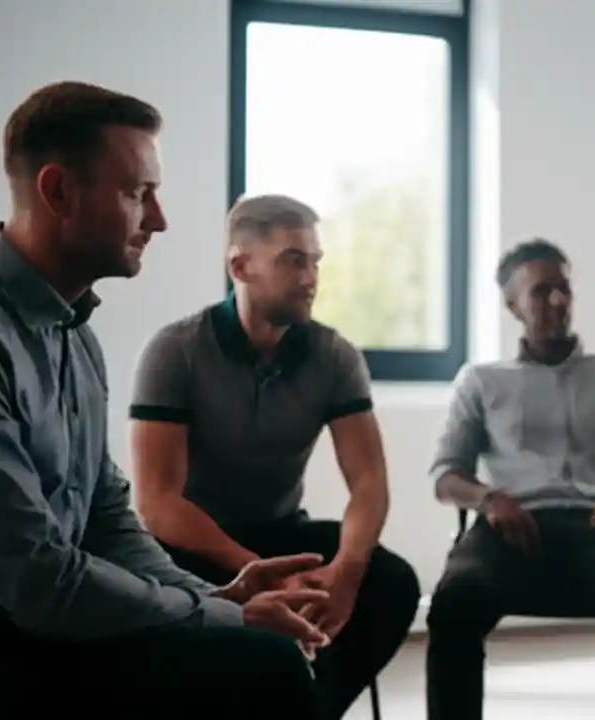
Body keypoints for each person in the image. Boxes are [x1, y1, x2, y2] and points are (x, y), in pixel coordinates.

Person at [0, 82, 329, 714]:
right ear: (59, 192)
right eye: (137, 193)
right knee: (259, 666)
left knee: (267, 649)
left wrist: (219, 601)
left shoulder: (73, 334)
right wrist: (221, 618)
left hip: (33, 630)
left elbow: (105, 516)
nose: (159, 219)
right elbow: (40, 581)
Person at [129, 193, 420, 718]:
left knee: (392, 582)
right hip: (190, 546)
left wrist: (347, 572)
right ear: (240, 266)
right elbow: (157, 504)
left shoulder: (334, 355)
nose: (310, 277)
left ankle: (315, 706)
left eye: (315, 262)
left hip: (282, 528)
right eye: (293, 260)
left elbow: (369, 481)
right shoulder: (175, 351)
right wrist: (257, 570)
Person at [425, 238, 595, 720]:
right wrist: (489, 499)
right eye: (540, 291)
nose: (556, 301)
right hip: (512, 526)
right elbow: (446, 476)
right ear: (513, 305)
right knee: (453, 603)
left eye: (564, 289)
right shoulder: (482, 381)